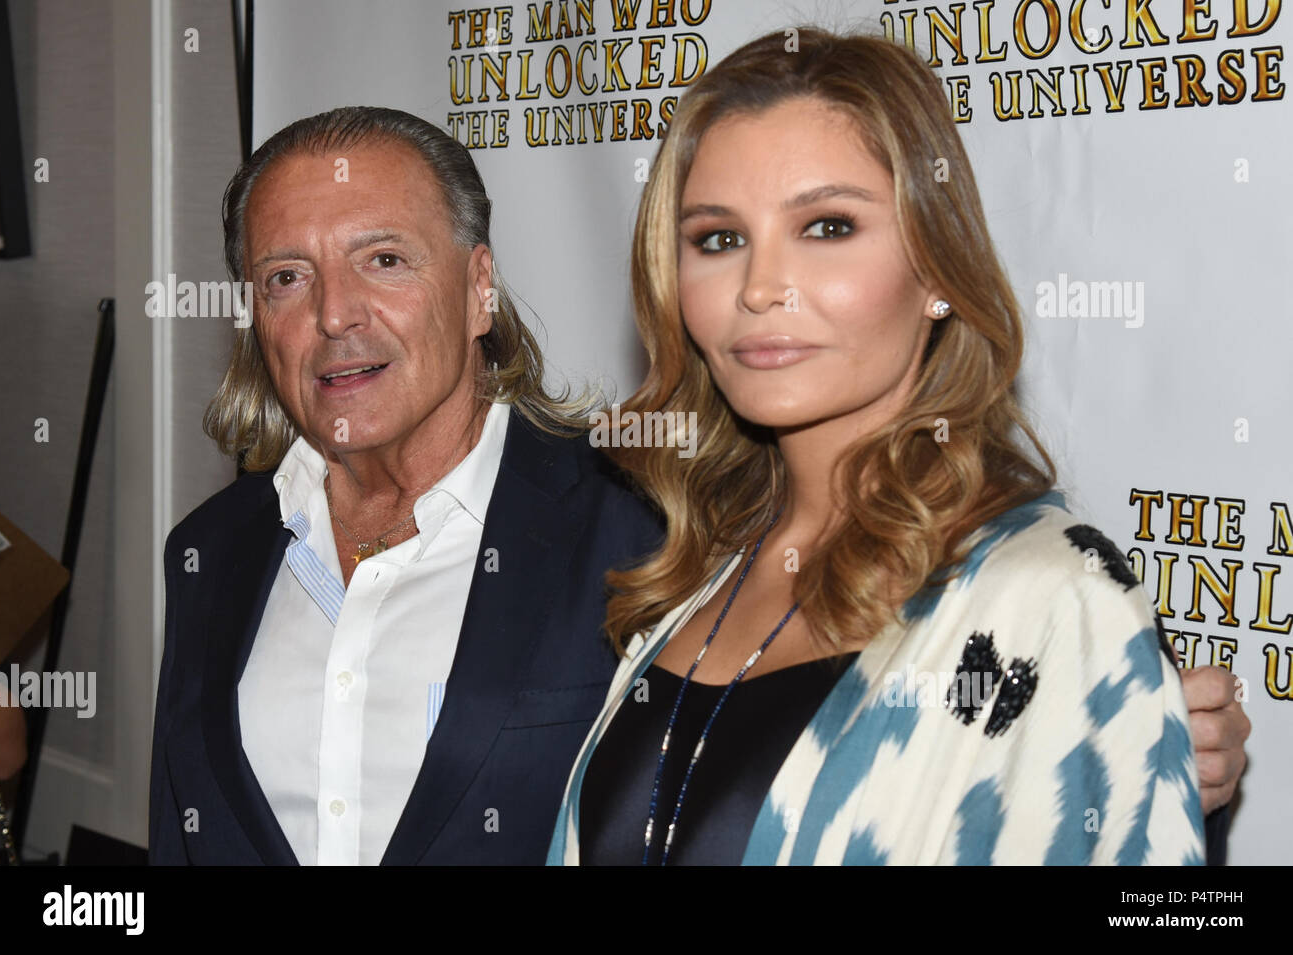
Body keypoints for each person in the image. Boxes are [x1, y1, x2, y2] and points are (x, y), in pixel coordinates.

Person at [546, 28, 1245, 865]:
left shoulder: (1048, 600)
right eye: (718, 239)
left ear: (940, 271)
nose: (761, 286)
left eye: (829, 226)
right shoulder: (694, 576)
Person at [148, 107, 662, 864]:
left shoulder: (634, 532)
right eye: (286, 277)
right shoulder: (208, 551)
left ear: (478, 288)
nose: (333, 314)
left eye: (384, 259)